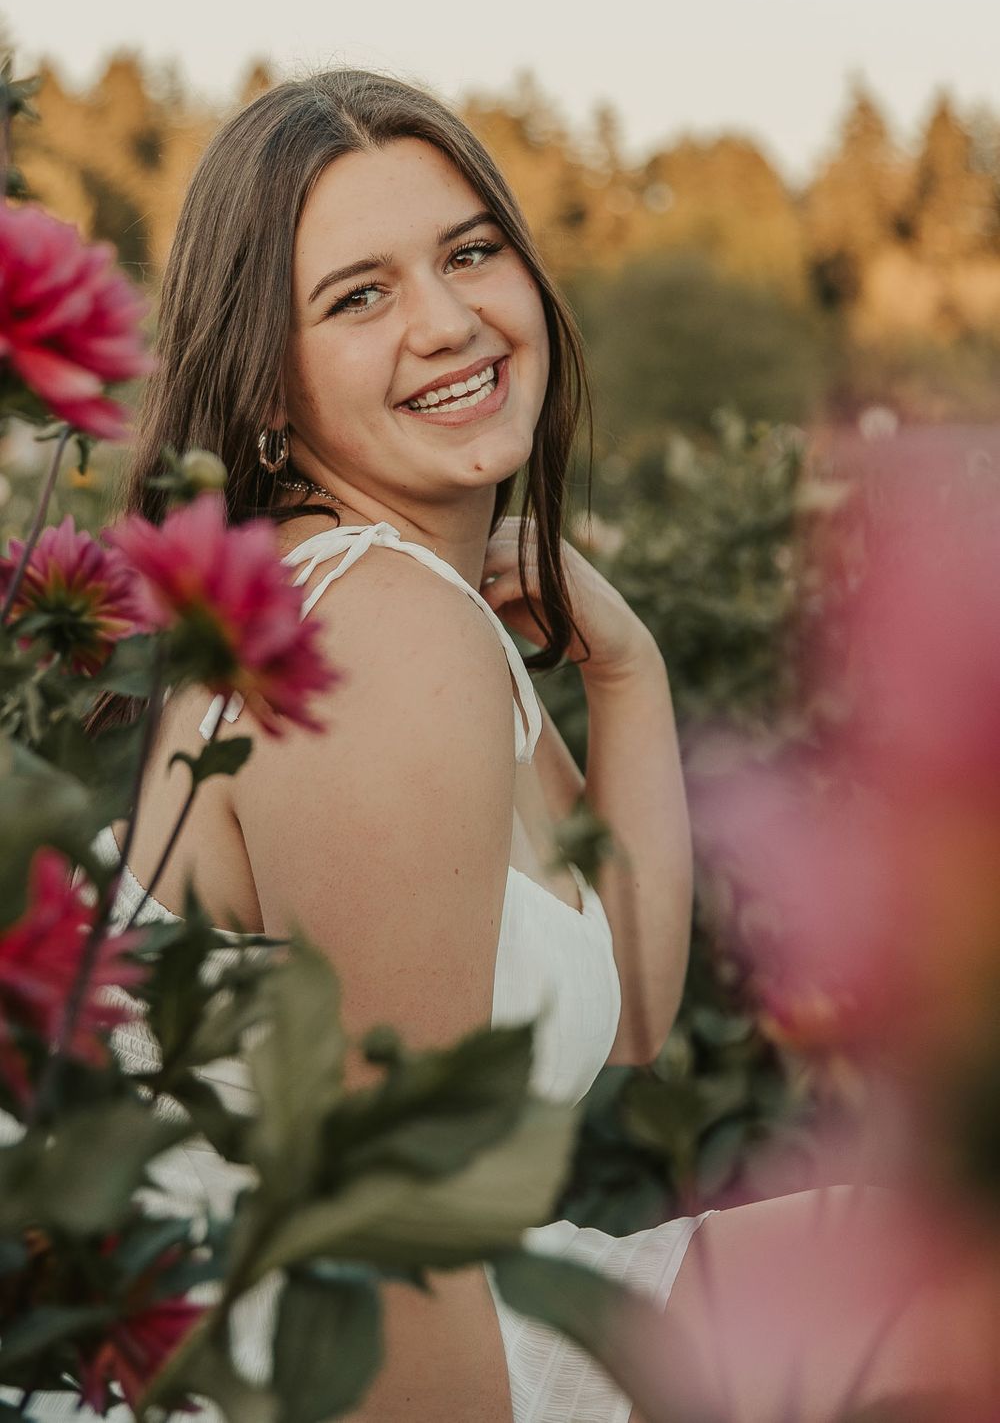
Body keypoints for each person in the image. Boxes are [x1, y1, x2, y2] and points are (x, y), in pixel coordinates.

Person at [61, 70, 977, 1422]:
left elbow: (638, 1015)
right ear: (268, 382)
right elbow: (379, 1248)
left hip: (458, 1296)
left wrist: (630, 669)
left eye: (471, 252)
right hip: (307, 1373)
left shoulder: (401, 608)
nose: (450, 321)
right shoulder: (375, 632)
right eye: (358, 296)